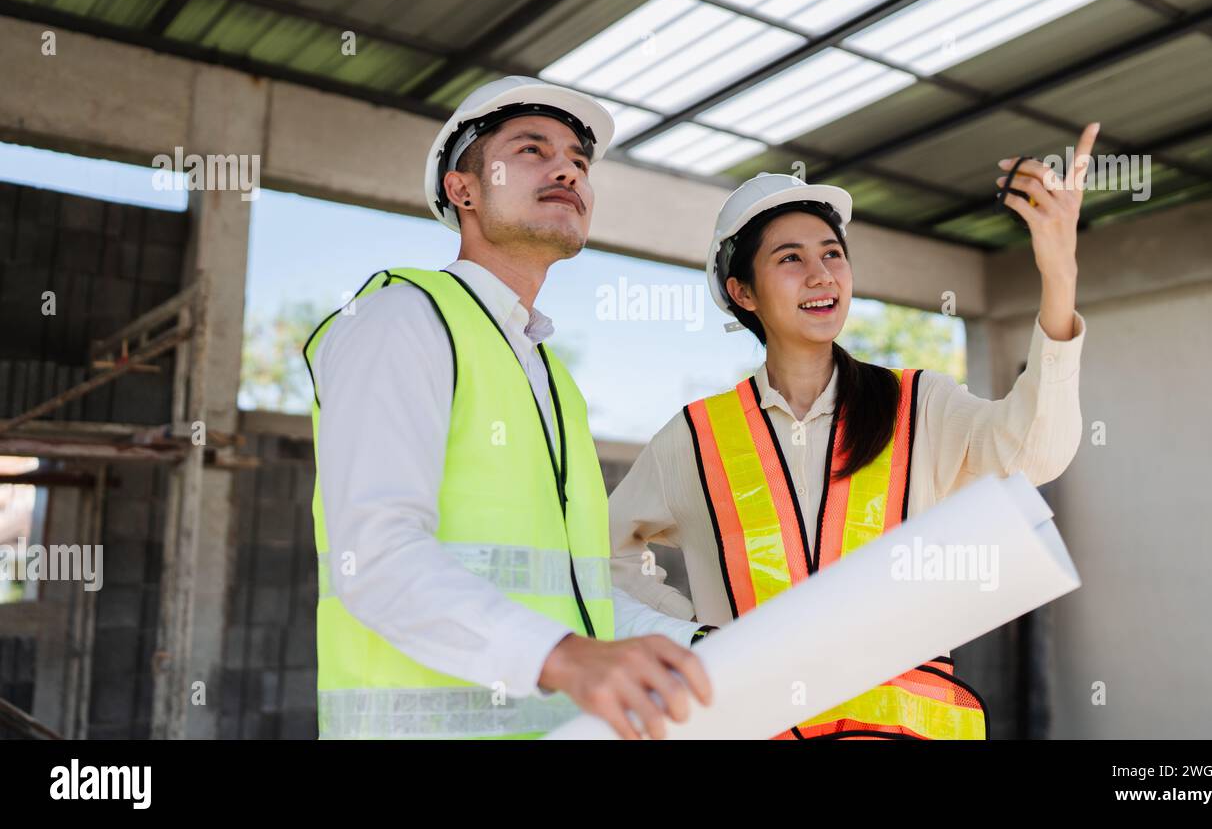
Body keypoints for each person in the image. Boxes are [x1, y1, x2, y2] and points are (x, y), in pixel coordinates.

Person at [608, 123, 1097, 739]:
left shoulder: (918, 404)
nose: (821, 274)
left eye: (831, 253)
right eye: (791, 258)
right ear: (742, 292)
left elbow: (1038, 455)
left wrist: (1059, 276)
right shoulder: (694, 438)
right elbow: (603, 557)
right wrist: (693, 634)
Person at [302, 76, 712, 740]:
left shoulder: (551, 377)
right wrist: (562, 658)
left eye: (579, 161)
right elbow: (373, 559)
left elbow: (582, 601)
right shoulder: (401, 319)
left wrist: (699, 644)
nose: (566, 169)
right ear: (463, 189)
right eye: (531, 149)